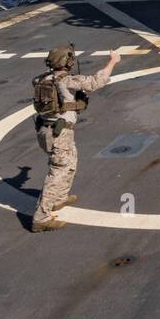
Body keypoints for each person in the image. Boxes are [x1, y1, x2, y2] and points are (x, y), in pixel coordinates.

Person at [29, 45, 121, 232]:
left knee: (70, 162)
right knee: (58, 172)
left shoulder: (41, 79)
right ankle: (41, 217)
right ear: (67, 62)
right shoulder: (66, 81)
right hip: (60, 133)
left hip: (46, 130)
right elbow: (96, 82)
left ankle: (59, 198)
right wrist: (113, 61)